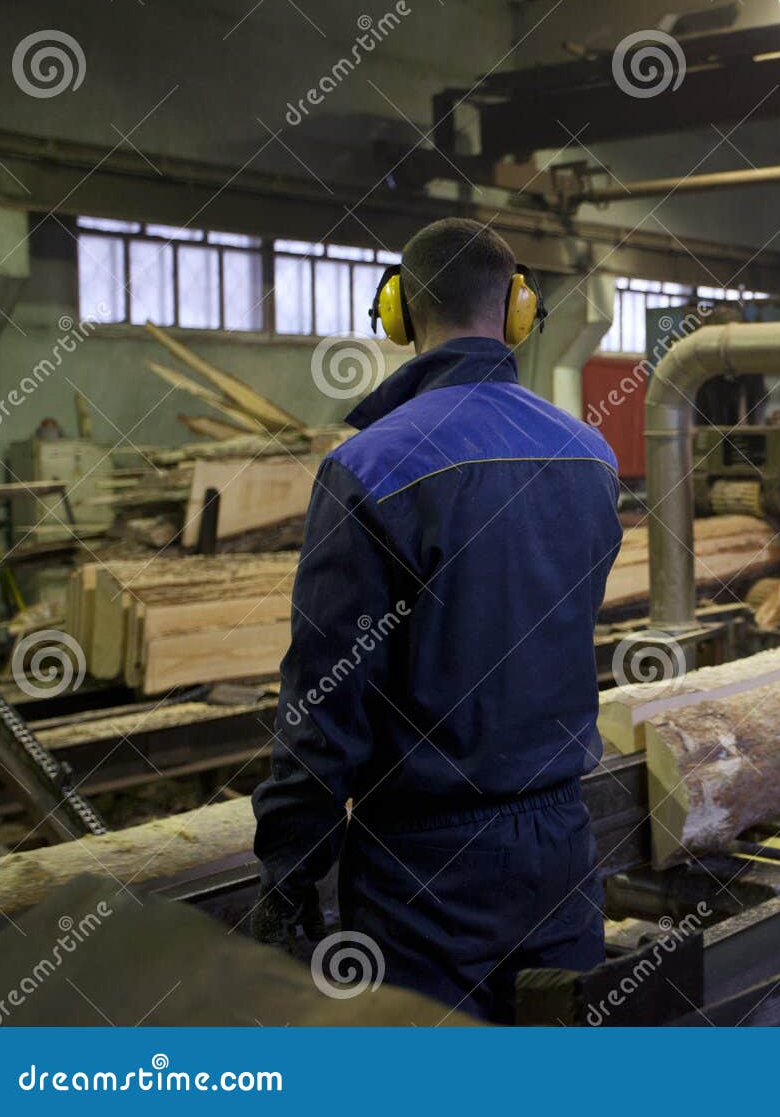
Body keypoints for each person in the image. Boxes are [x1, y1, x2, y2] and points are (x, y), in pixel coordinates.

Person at [249, 218, 622, 1022]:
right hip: (561, 849)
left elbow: (325, 700)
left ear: (400, 313)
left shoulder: (368, 466)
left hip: (422, 872)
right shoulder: (591, 455)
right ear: (519, 310)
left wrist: (290, 869)